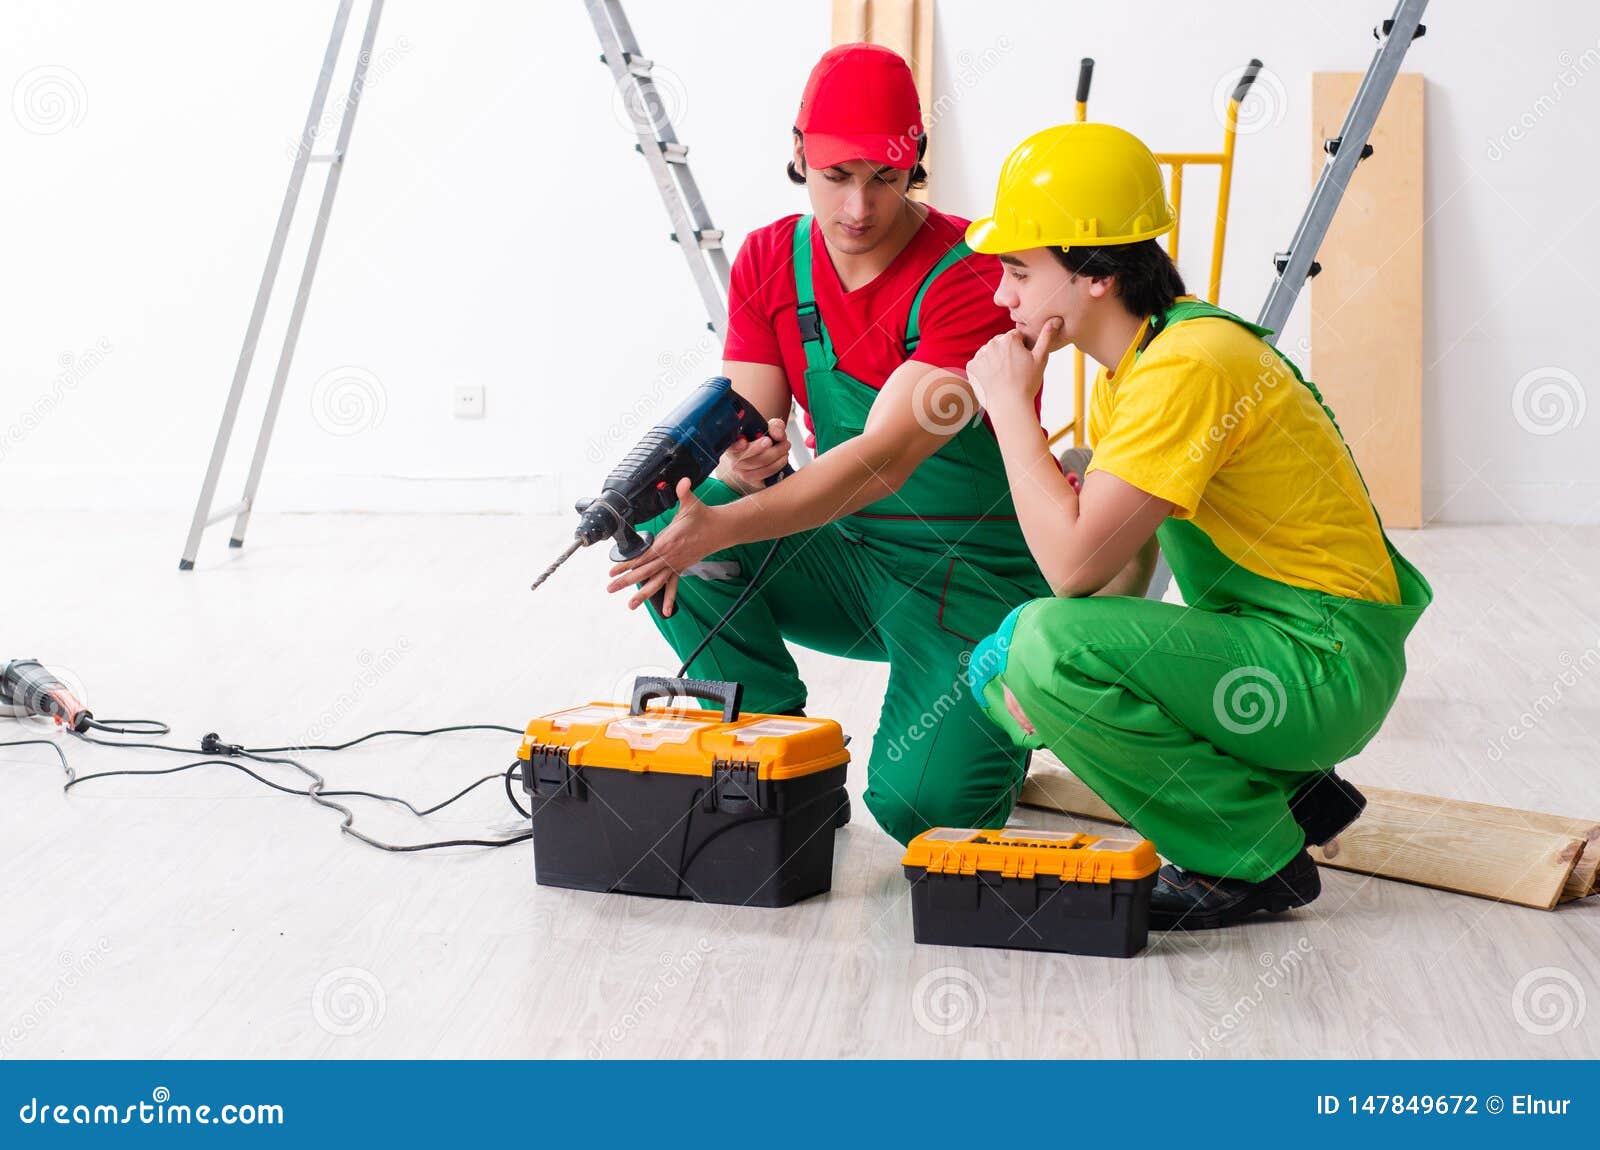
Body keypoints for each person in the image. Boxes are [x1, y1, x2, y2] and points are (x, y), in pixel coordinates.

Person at [960, 122, 1434, 929]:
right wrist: (1038, 666)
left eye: (1017, 270)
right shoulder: (1139, 368)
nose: (1003, 296)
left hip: (1320, 663)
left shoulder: (1189, 366)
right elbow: (1112, 573)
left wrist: (1010, 408)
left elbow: (1071, 570)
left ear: (1097, 273)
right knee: (1010, 657)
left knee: (1040, 646)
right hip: (1276, 654)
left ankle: (1251, 858)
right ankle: (1288, 791)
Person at [605, 44, 1074, 844]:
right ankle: (779, 768)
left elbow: (884, 461)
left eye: (884, 179)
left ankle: (1002, 702)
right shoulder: (769, 259)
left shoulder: (973, 274)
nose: (859, 208)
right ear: (799, 155)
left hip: (971, 581)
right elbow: (749, 422)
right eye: (837, 176)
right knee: (671, 523)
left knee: (923, 814)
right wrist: (740, 463)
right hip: (850, 556)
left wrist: (725, 522)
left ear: (915, 162)